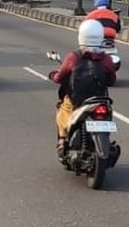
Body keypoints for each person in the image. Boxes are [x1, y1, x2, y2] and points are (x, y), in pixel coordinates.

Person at [49, 19, 117, 149]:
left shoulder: (73, 57)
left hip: (77, 101)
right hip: (100, 100)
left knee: (63, 111)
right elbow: (111, 80)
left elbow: (59, 78)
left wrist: (54, 76)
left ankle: (62, 140)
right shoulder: (106, 59)